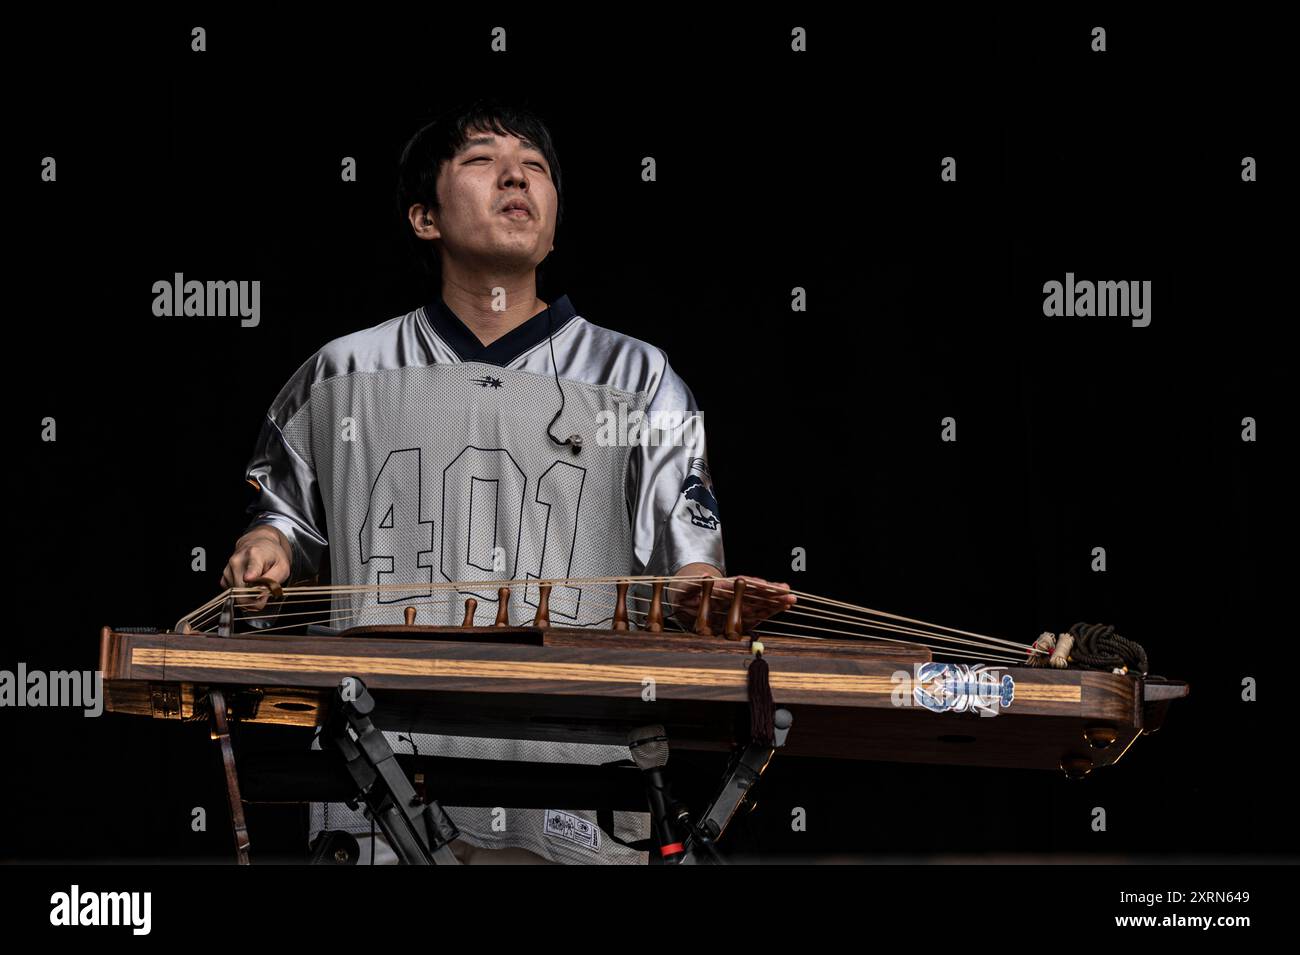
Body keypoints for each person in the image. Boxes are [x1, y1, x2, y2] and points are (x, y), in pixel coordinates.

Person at [220, 98, 794, 864]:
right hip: (384, 762)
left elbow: (686, 551)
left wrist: (700, 592)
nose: (516, 176)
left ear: (553, 230)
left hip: (581, 765)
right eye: (483, 160)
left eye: (535, 166)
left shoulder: (637, 376)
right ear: (425, 217)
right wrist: (268, 546)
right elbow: (288, 525)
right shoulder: (342, 374)